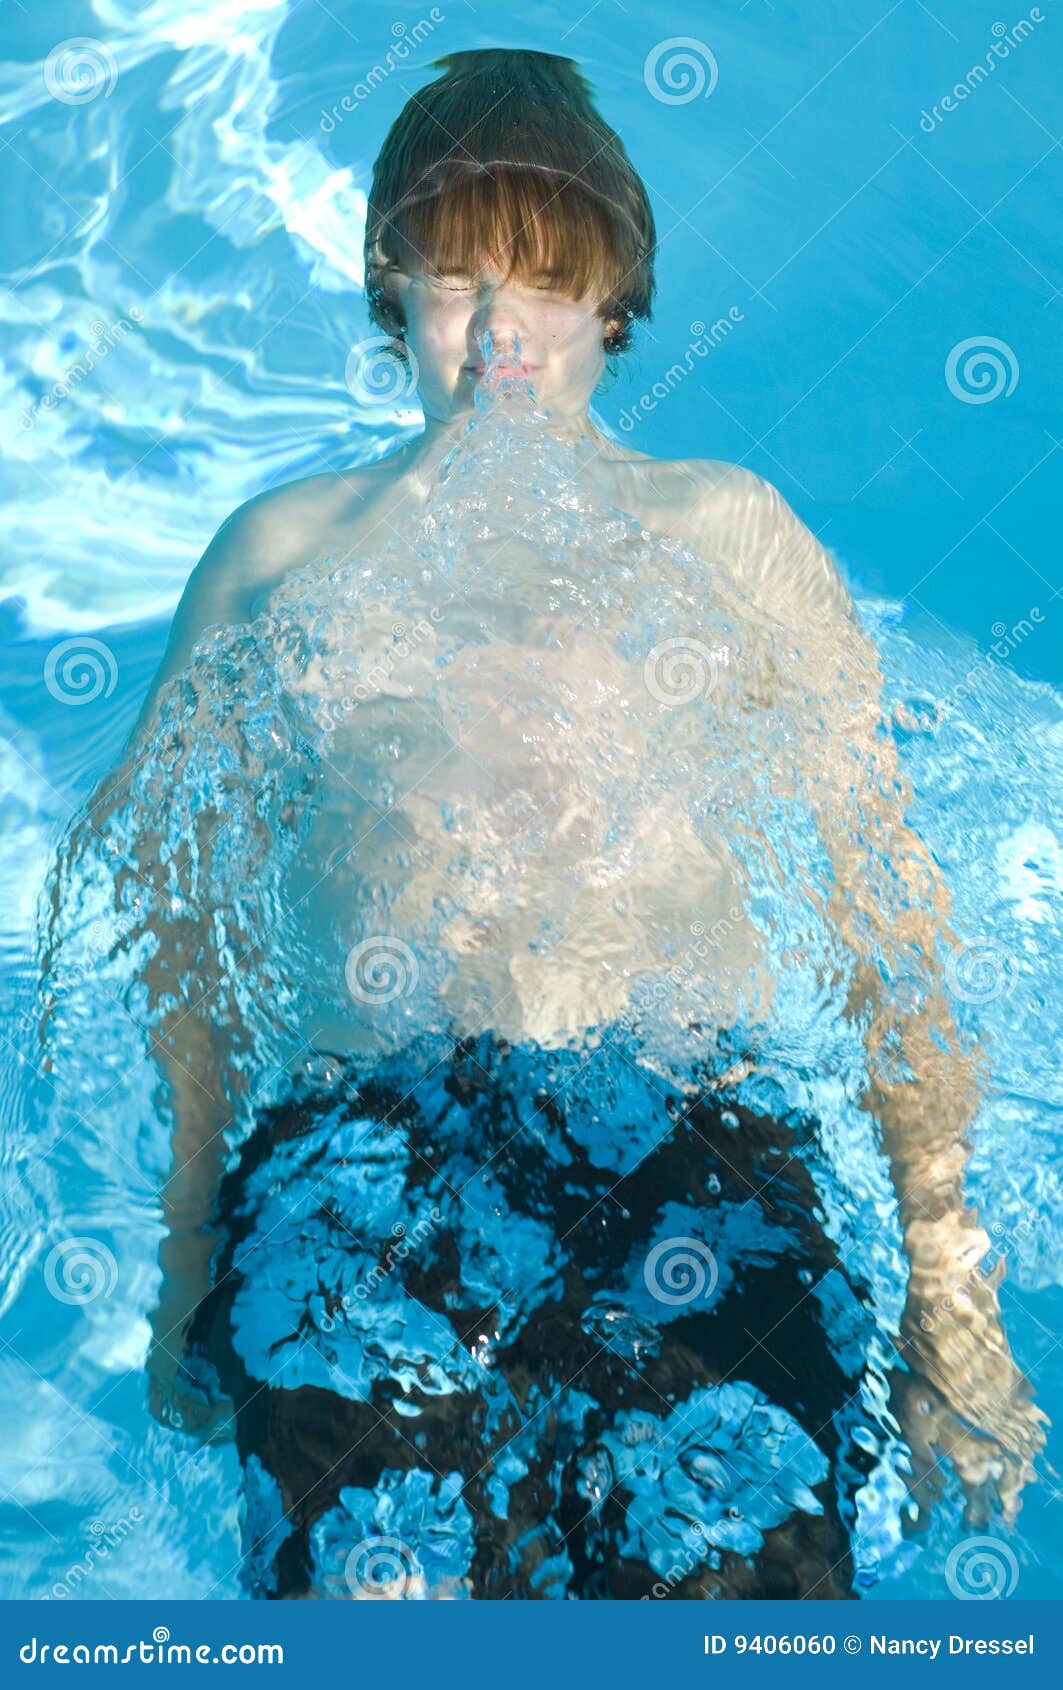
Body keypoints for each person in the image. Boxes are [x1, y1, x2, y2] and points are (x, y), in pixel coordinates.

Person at [61, 47, 1044, 1596]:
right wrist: (186, 1252)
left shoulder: (724, 534)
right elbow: (179, 924)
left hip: (686, 1128)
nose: (501, 334)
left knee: (745, 1591)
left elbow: (887, 908)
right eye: (458, 284)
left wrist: (949, 1283)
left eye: (545, 285)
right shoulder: (282, 555)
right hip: (367, 1154)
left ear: (615, 306)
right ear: (393, 295)